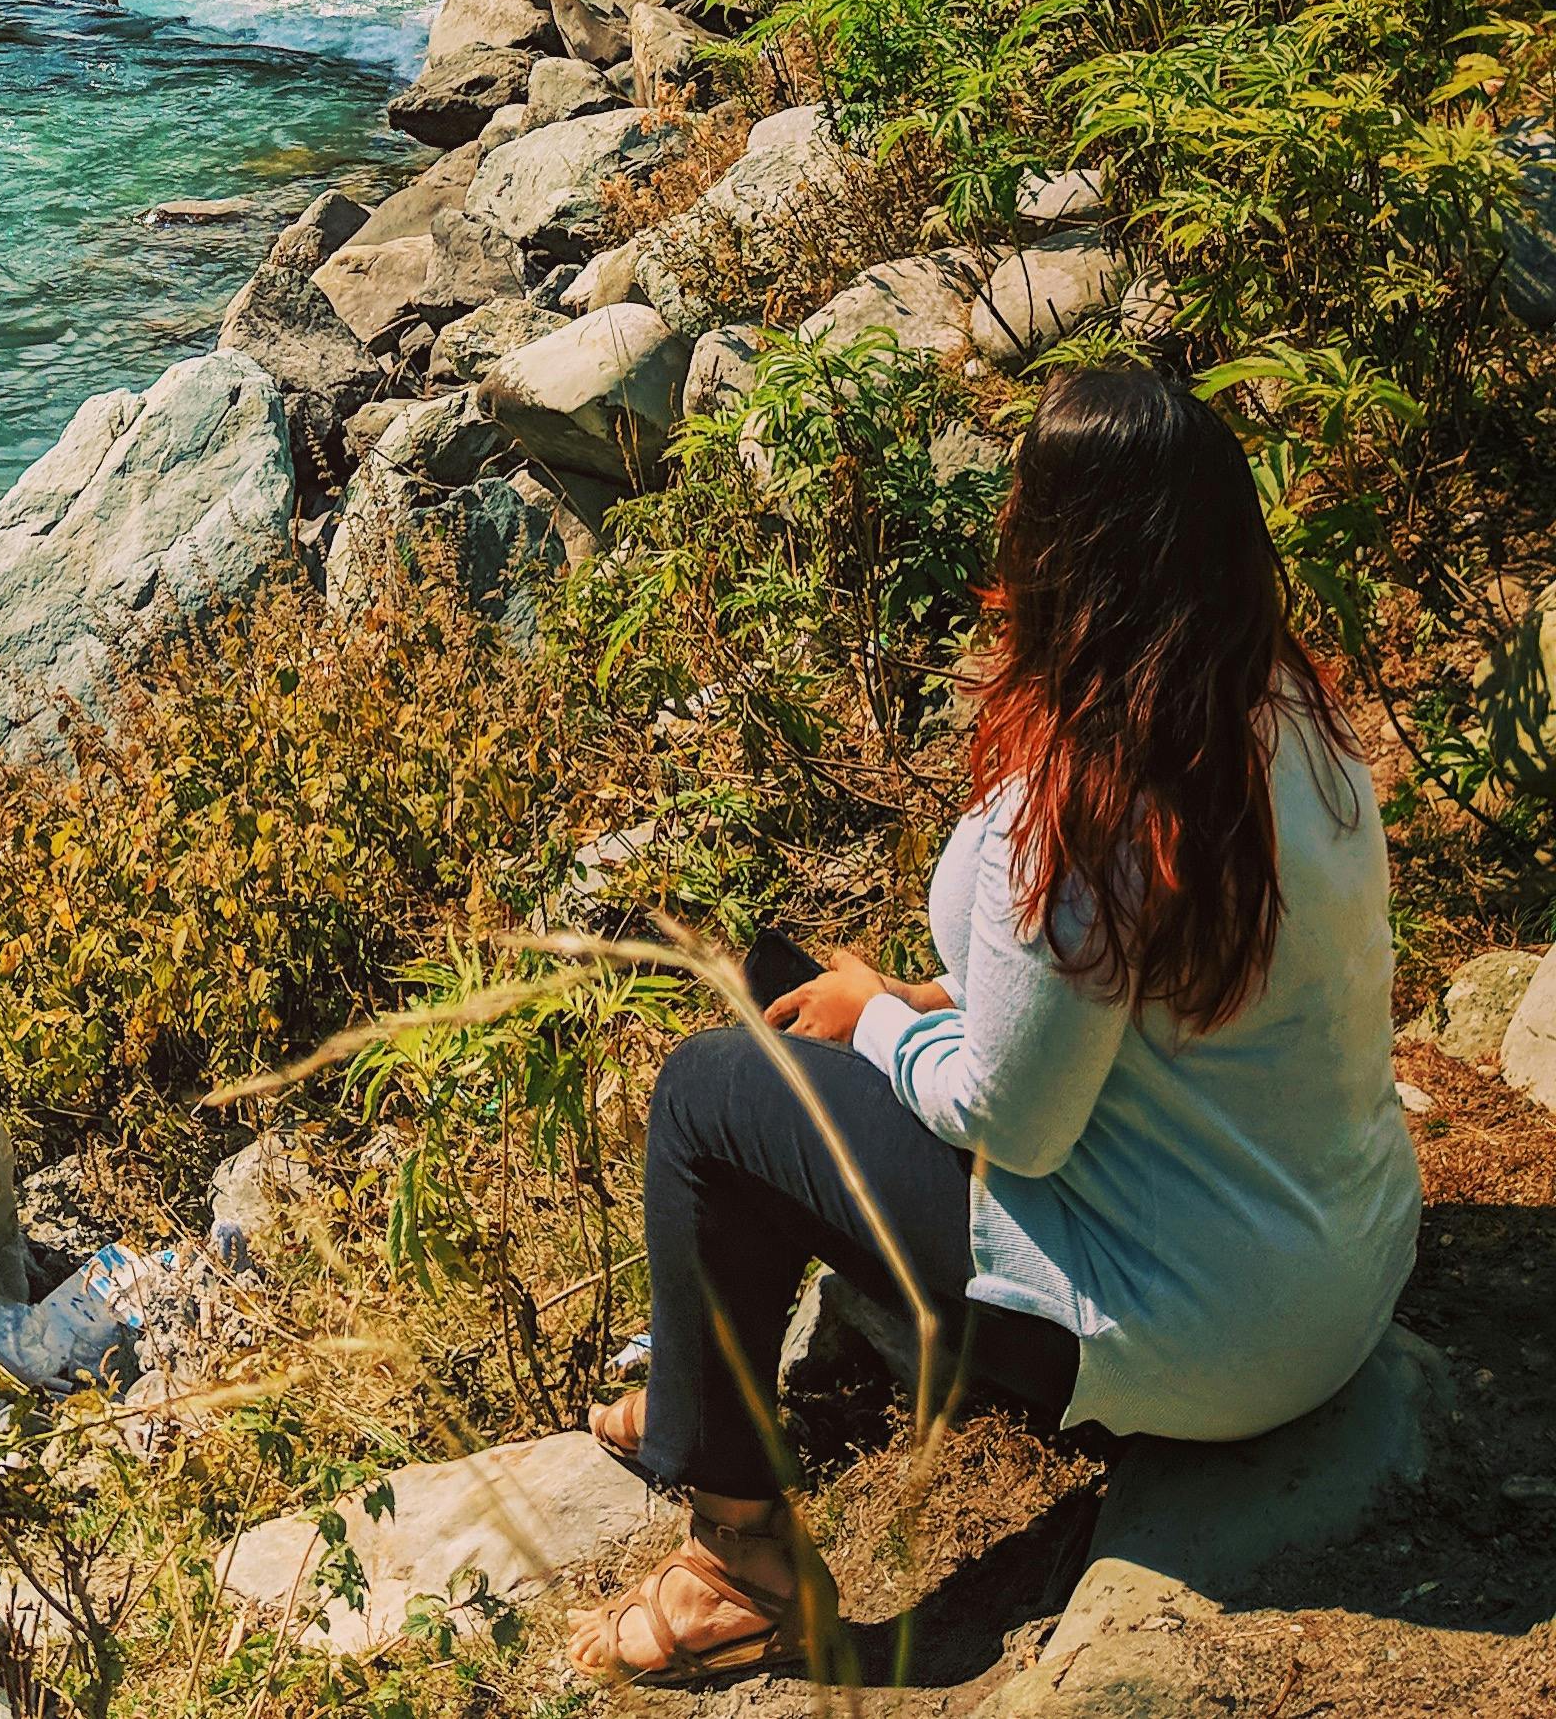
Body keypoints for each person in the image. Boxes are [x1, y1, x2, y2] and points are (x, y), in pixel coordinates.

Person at [568, 362, 1420, 1687]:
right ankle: (699, 1394)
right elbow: (1170, 1016)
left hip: (1210, 1340)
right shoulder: (1285, 717)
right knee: (798, 1058)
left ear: (1065, 551)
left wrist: (875, 1024)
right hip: (1340, 1276)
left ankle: (742, 1568)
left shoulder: (1090, 796)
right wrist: (941, 1006)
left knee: (711, 1099)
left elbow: (1010, 1126)